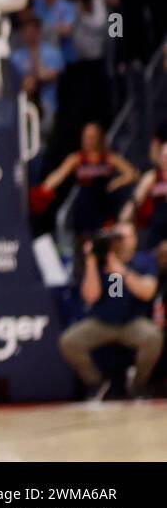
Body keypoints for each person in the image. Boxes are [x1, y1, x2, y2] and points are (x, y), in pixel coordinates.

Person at [59, 222, 161, 399]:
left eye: (125, 237)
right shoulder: (100, 262)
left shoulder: (144, 261)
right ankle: (97, 384)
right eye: (116, 237)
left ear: (134, 239)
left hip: (131, 321)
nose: (120, 242)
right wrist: (90, 260)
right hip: (102, 322)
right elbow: (90, 297)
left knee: (153, 337)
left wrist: (122, 272)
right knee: (69, 341)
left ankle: (138, 385)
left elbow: (148, 292)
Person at [42, 122, 138, 238]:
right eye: (86, 137)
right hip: (84, 208)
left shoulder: (109, 158)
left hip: (104, 207)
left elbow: (132, 173)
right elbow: (59, 174)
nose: (88, 141)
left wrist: (117, 182)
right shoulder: (77, 158)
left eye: (91, 137)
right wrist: (43, 189)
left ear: (99, 138)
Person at [119, 144, 167, 250]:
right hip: (157, 224)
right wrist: (125, 217)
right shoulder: (153, 176)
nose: (165, 160)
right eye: (163, 156)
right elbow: (136, 199)